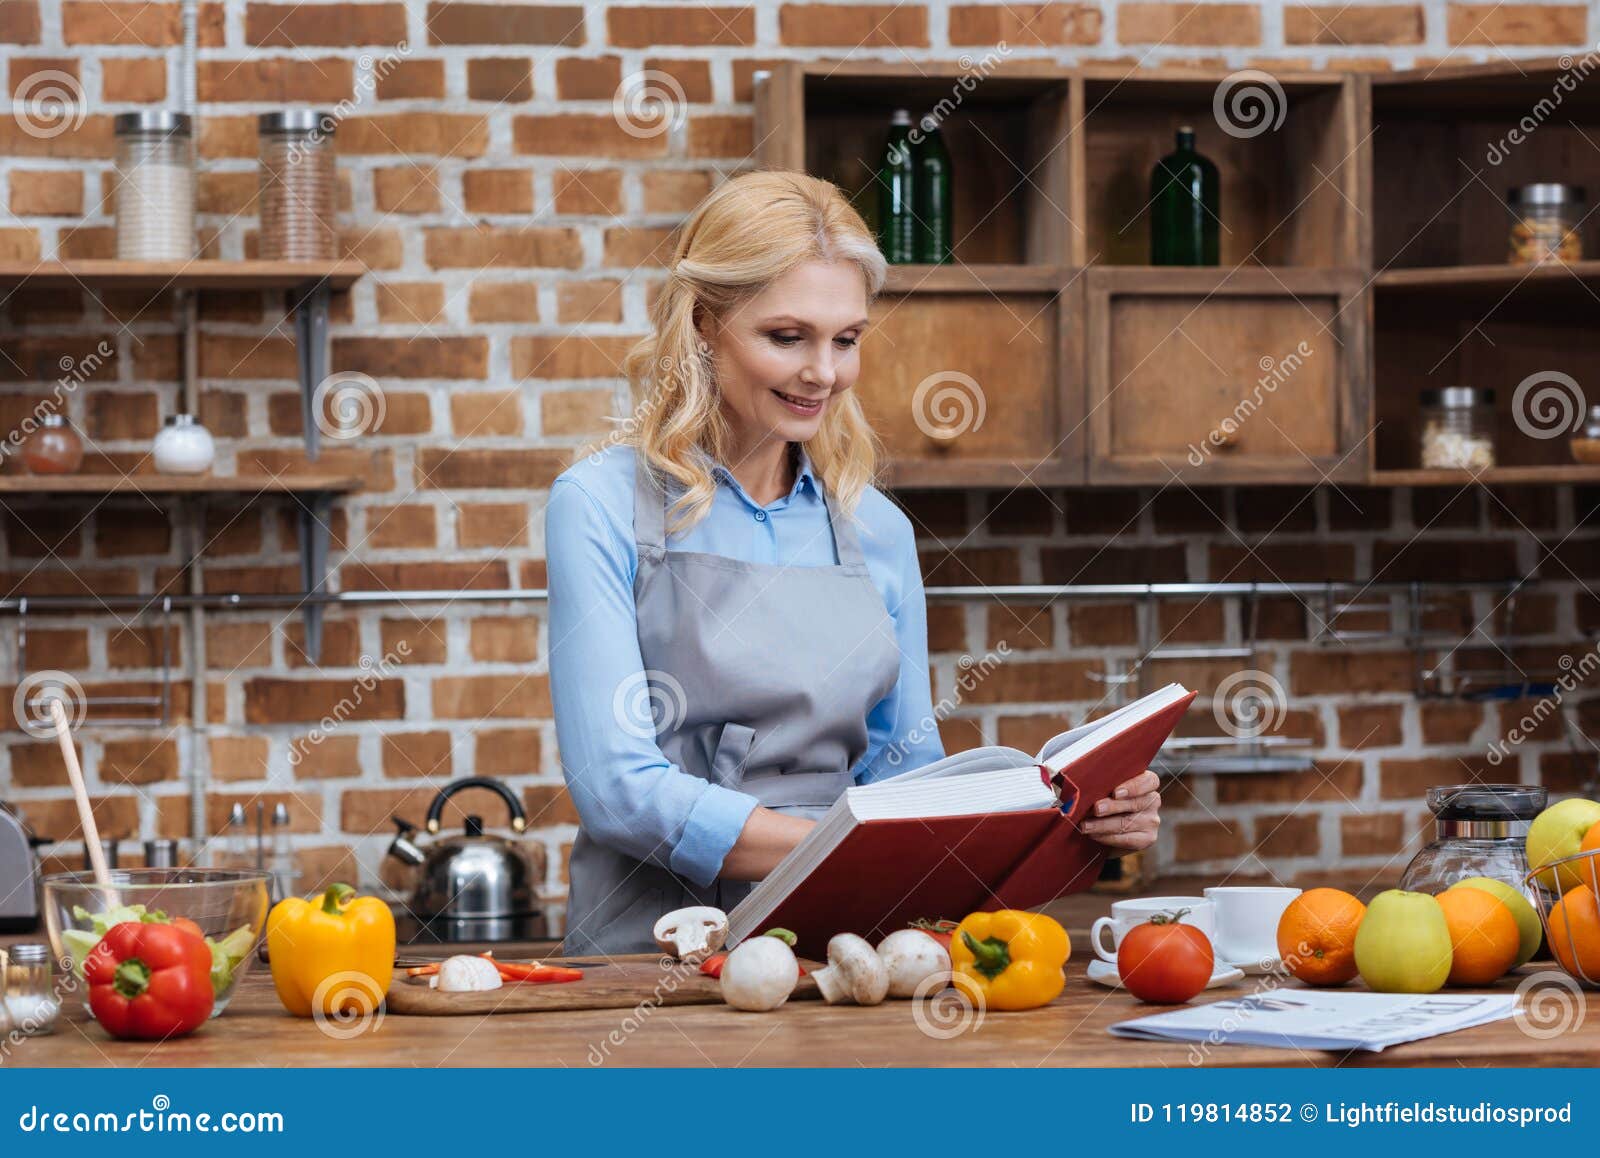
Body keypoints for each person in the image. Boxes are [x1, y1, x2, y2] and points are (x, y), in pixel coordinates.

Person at [545, 171, 1161, 956]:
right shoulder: (599, 503)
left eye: (847, 339)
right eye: (786, 336)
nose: (824, 374)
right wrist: (845, 844)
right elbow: (619, 793)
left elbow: (905, 777)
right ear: (702, 322)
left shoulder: (876, 528)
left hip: (842, 954)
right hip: (657, 956)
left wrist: (1078, 817)